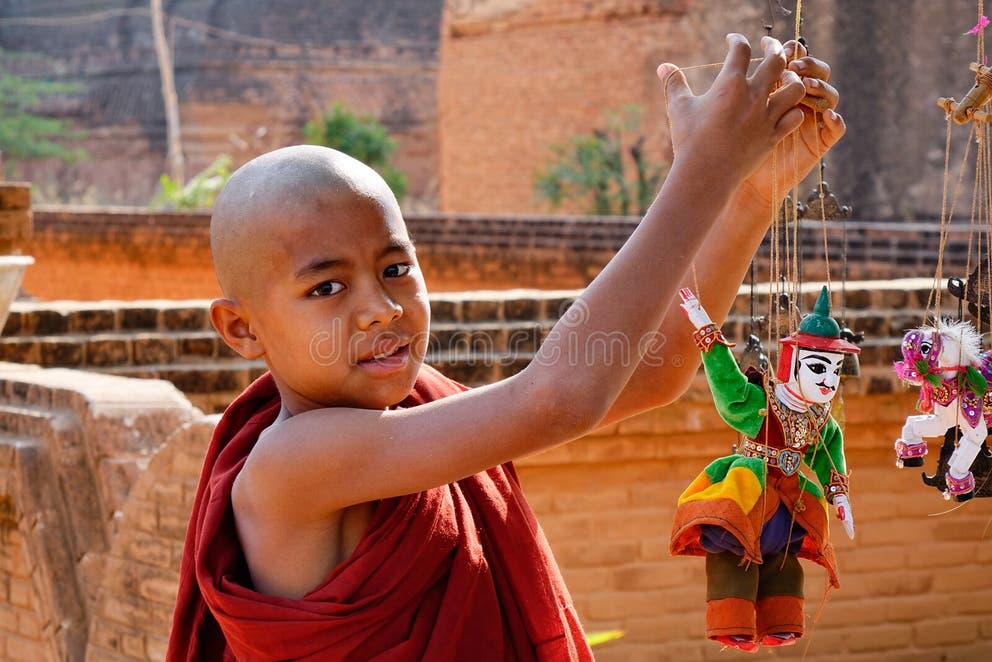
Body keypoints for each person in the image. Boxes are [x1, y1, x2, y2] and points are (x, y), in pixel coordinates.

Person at [167, 34, 845, 661]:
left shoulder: (416, 414)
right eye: (326, 288)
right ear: (241, 328)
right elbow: (559, 400)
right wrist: (703, 171)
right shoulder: (289, 462)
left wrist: (751, 195)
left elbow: (652, 374)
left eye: (395, 269)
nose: (380, 308)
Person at [671, 286, 858, 653]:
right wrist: (706, 330)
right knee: (733, 548)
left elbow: (828, 452)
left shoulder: (820, 417)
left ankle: (781, 620)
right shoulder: (761, 403)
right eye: (818, 368)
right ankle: (732, 623)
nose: (827, 381)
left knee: (783, 560)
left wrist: (840, 496)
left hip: (791, 496)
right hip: (749, 487)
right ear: (791, 362)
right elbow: (730, 390)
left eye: (835, 371)